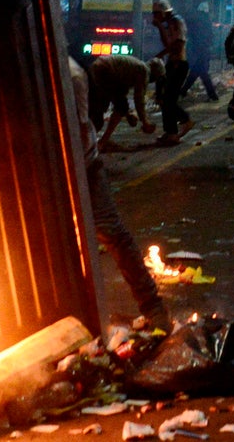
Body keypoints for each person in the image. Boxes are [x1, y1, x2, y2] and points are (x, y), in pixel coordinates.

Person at [68, 58, 170, 331]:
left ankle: (153, 307)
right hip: (68, 161)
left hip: (84, 163)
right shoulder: (76, 75)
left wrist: (140, 118)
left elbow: (80, 130)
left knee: (112, 232)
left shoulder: (72, 76)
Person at [87, 54, 162, 149]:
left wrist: (127, 114)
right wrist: (145, 121)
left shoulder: (132, 69)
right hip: (106, 71)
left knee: (101, 109)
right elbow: (139, 99)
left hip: (99, 67)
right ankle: (101, 142)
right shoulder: (144, 71)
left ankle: (91, 141)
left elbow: (121, 95)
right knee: (115, 109)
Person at [152, 0, 194, 143]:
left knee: (169, 99)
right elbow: (167, 43)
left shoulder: (176, 22)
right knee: (164, 99)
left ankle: (183, 121)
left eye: (157, 13)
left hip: (178, 64)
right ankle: (170, 131)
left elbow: (178, 44)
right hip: (173, 63)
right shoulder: (169, 24)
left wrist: (161, 55)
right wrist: (160, 27)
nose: (155, 16)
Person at [180, 5, 219, 101]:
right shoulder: (206, 20)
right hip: (204, 49)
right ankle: (212, 94)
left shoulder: (195, 19)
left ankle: (183, 91)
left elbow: (190, 33)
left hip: (197, 48)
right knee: (200, 71)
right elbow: (210, 35)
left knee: (198, 71)